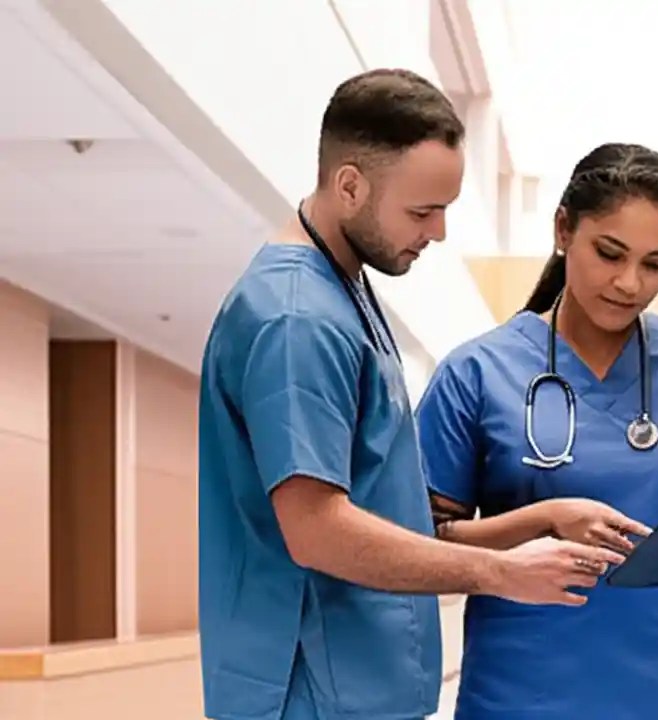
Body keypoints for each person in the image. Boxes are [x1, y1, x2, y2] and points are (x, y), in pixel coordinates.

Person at [197, 69, 623, 720]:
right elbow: (316, 531)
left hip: (357, 688)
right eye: (423, 211)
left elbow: (388, 514)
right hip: (309, 692)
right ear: (349, 186)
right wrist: (498, 574)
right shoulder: (295, 319)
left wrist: (538, 520)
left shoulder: (342, 292)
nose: (439, 232)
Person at [414, 142, 658, 719]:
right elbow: (421, 544)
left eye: (655, 263)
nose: (630, 283)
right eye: (609, 254)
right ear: (564, 229)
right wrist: (544, 519)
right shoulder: (478, 373)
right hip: (525, 694)